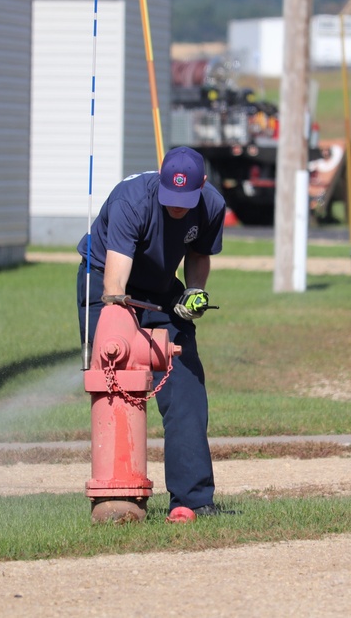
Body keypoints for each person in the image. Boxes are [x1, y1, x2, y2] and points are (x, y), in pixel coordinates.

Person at [76, 145, 231, 520]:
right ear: (160, 181)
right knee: (118, 380)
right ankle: (118, 494)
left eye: (185, 199)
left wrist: (192, 293)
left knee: (186, 391)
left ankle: (192, 500)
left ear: (203, 185)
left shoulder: (212, 205)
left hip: (162, 290)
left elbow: (197, 254)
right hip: (106, 286)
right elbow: (115, 287)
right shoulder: (132, 200)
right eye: (170, 198)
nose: (177, 206)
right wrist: (121, 336)